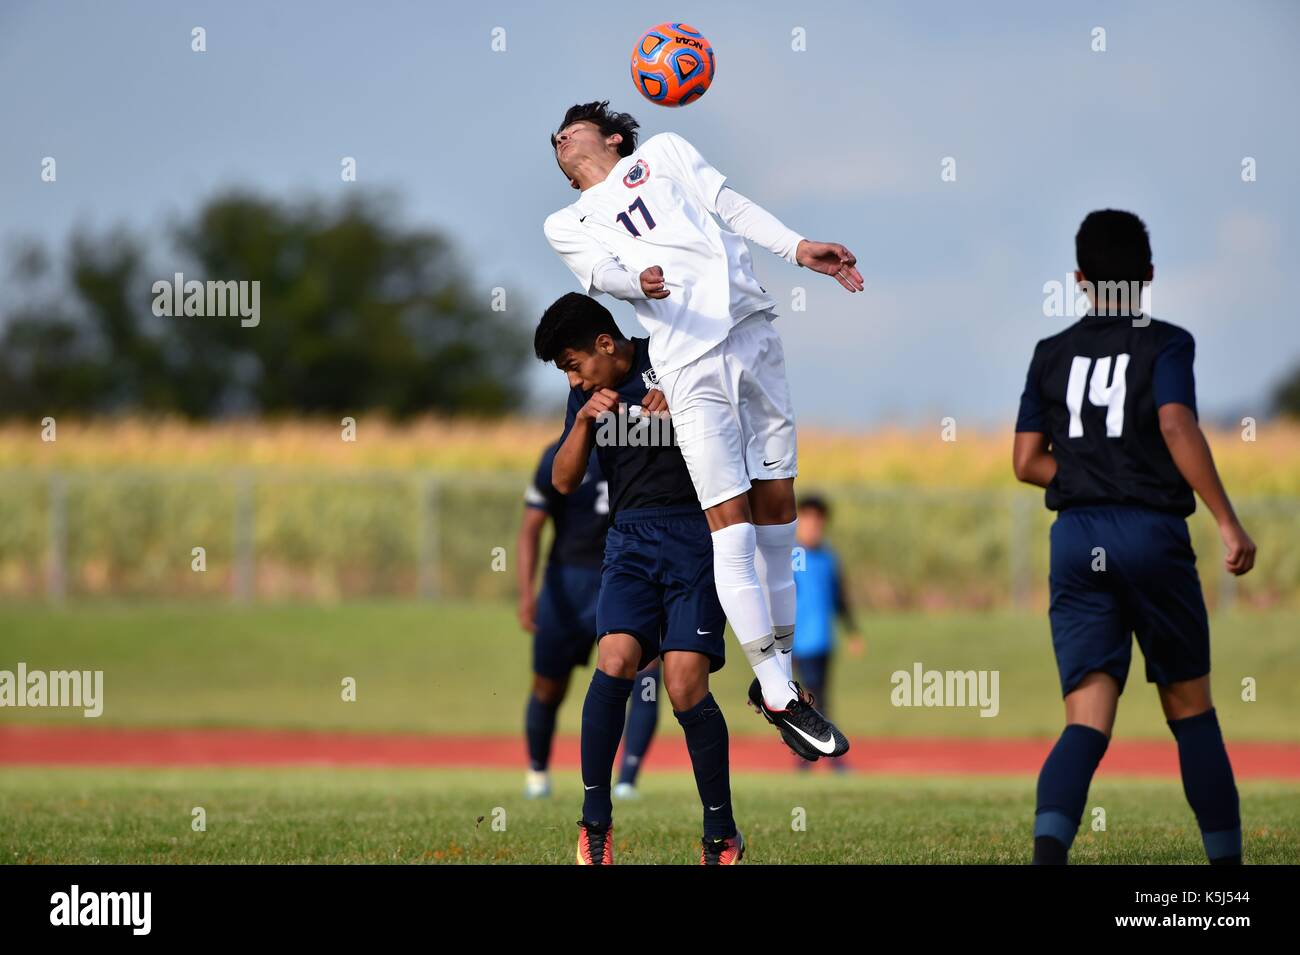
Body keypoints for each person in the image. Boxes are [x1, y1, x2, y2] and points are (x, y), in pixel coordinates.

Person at [544, 100, 859, 761]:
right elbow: (598, 272)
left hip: (754, 330)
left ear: (610, 136)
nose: (558, 142)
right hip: (688, 360)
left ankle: (778, 677)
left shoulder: (664, 150)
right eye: (554, 142)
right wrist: (636, 277)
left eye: (567, 130)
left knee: (778, 509)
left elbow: (731, 204)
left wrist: (799, 249)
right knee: (732, 521)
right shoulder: (567, 220)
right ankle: (777, 689)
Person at [1013, 209, 1257, 865]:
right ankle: (1227, 875)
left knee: (1086, 722)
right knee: (1191, 711)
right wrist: (1227, 518)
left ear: (1079, 279)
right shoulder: (1167, 343)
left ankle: (1047, 858)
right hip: (1151, 534)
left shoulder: (1050, 353)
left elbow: (1025, 461)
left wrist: (1091, 471)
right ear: (1149, 275)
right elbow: (1176, 426)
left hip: (1077, 538)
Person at [537, 291, 742, 864]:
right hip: (628, 540)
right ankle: (595, 825)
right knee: (615, 661)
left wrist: (681, 402)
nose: (574, 379)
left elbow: (733, 412)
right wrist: (581, 421)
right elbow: (561, 480)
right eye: (566, 373)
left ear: (606, 344)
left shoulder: (672, 358)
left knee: (683, 685)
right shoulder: (585, 398)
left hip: (694, 535)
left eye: (574, 365)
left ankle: (721, 832)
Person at [516, 441, 658, 799]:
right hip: (568, 581)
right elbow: (531, 526)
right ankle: (537, 775)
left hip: (629, 575)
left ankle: (626, 781)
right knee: (548, 686)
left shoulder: (643, 445)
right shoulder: (559, 454)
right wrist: (526, 594)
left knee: (645, 676)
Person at [790, 495, 864, 770]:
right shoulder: (793, 556)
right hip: (799, 643)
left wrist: (852, 632)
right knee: (810, 701)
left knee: (820, 699)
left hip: (823, 640)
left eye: (818, 522)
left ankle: (809, 759)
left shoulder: (828, 558)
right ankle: (827, 759)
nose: (813, 527)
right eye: (808, 521)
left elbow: (839, 598)